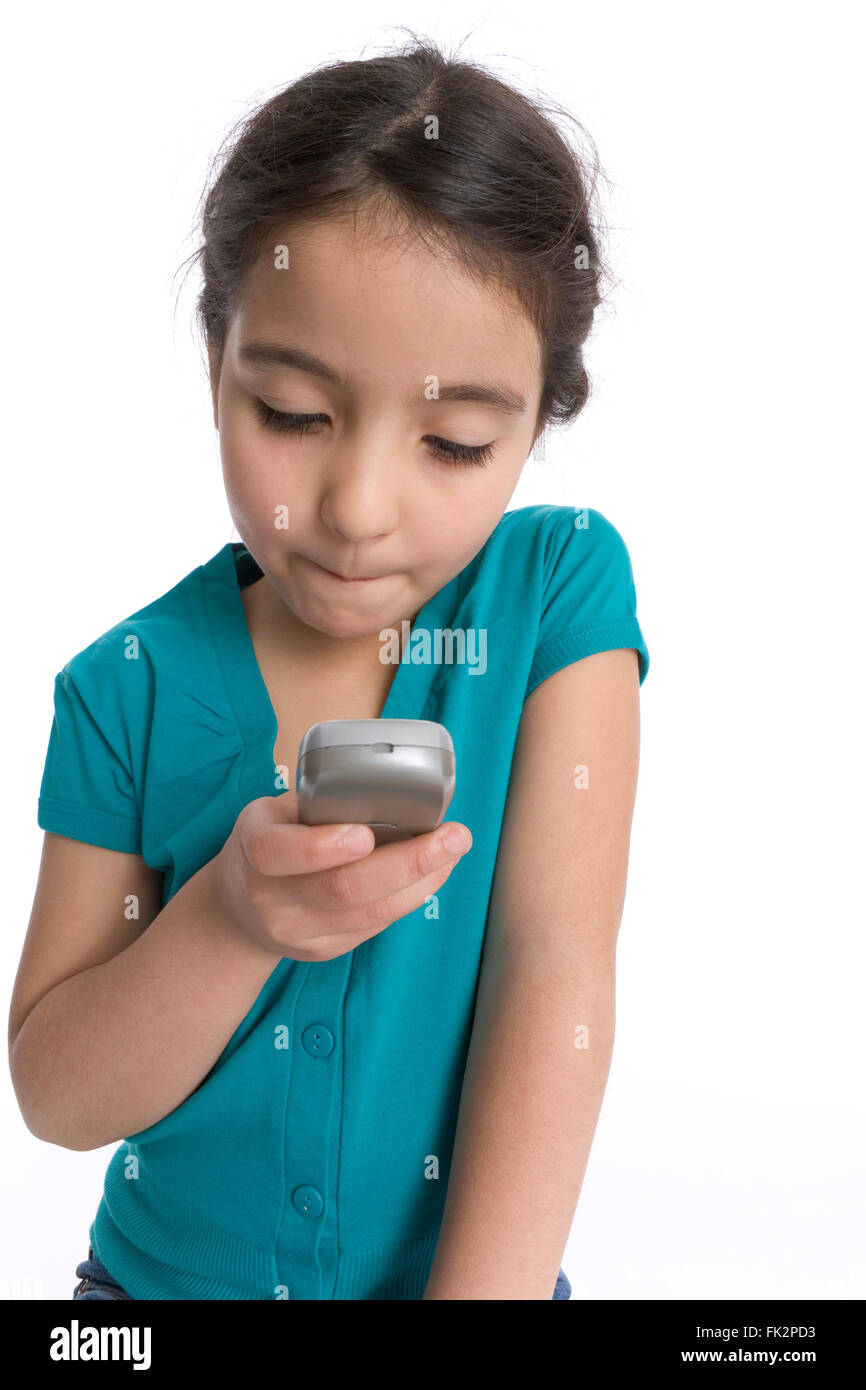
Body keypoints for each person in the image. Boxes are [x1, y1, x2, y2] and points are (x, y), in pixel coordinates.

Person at [9, 32, 649, 1300]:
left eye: (455, 441)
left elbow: (551, 972)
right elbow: (56, 1091)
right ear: (216, 363)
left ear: (537, 416)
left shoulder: (556, 593)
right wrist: (233, 918)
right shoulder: (124, 682)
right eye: (294, 415)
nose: (356, 507)